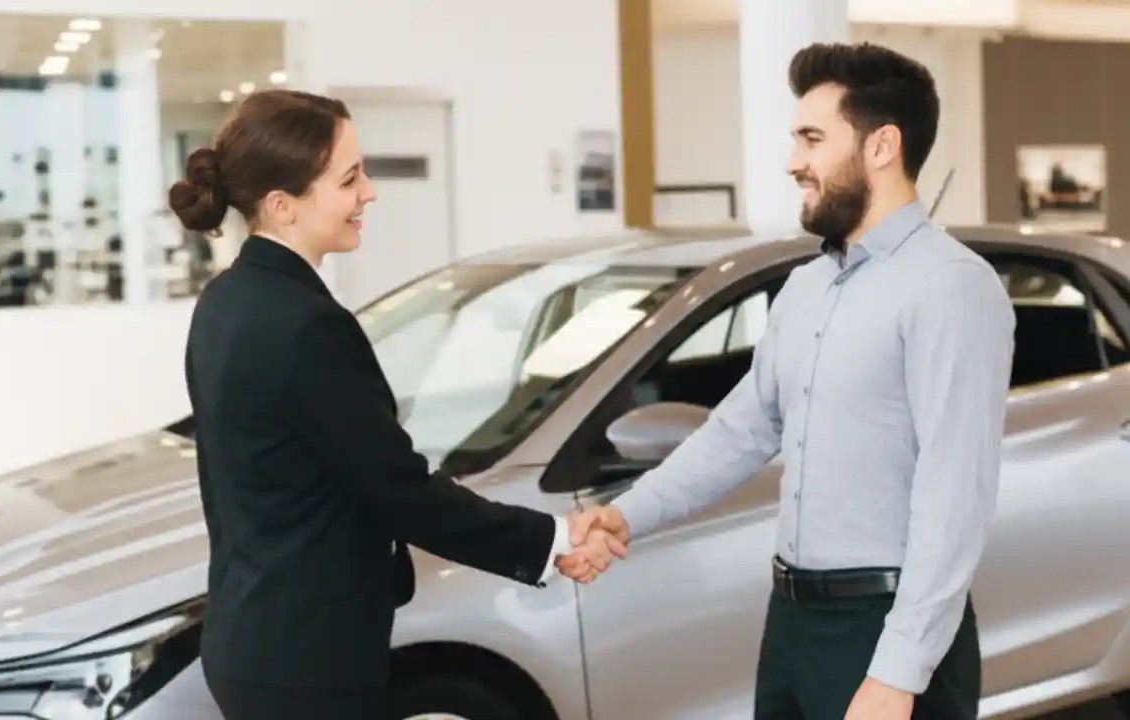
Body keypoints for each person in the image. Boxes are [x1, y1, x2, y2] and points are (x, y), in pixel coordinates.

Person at [570, 42, 1015, 719]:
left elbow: (954, 494)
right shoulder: (807, 287)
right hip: (792, 621)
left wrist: (899, 670)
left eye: (812, 138)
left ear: (881, 145)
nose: (792, 162)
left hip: (883, 625)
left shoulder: (950, 286)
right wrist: (628, 512)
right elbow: (740, 431)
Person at [170, 89, 625, 720]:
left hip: (252, 639)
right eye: (349, 178)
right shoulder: (305, 324)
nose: (370, 193)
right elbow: (397, 489)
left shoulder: (225, 303)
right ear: (283, 205)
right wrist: (551, 541)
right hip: (307, 664)